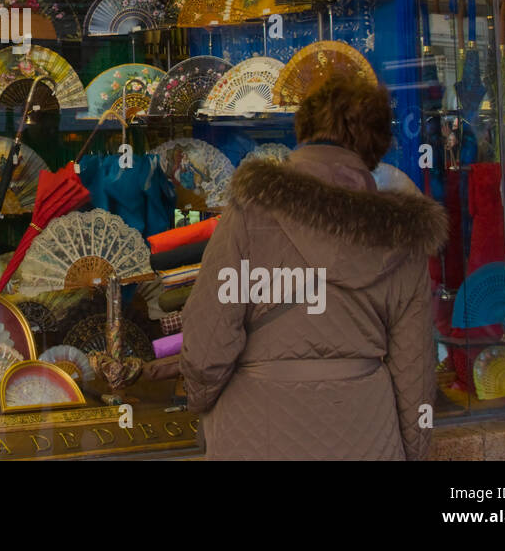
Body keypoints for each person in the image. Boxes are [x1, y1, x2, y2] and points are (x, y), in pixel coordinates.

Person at [179, 73, 447, 460]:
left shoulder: (250, 211)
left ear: (303, 129)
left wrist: (200, 396)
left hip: (255, 433)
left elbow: (209, 335)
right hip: (366, 433)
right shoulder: (402, 235)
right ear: (375, 144)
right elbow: (415, 370)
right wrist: (413, 450)